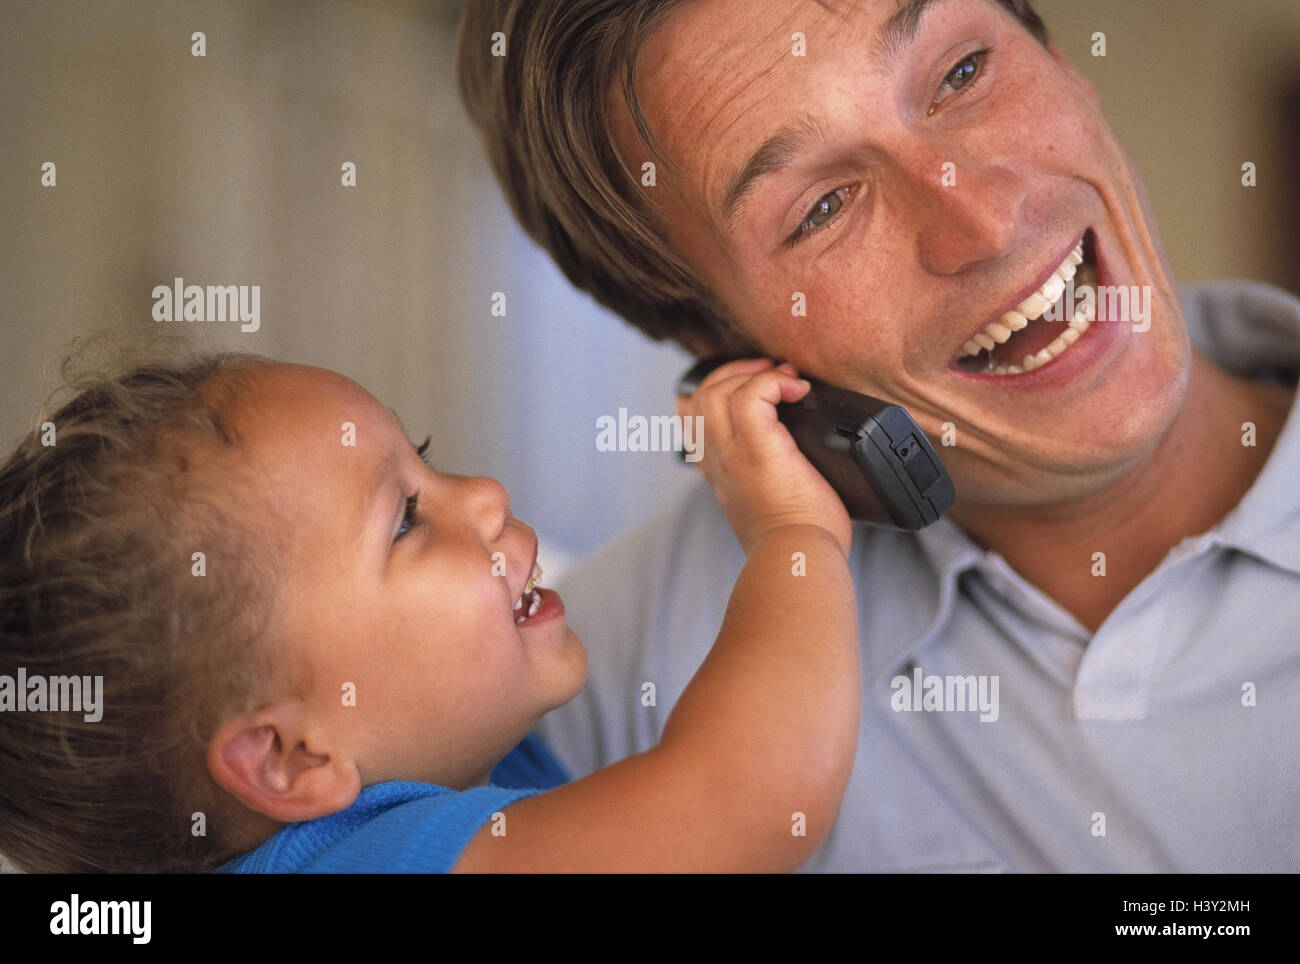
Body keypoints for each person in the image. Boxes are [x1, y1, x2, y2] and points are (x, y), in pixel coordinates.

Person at [455, 0, 1300, 870]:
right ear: (721, 349)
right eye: (822, 209)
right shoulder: (594, 684)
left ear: (1059, 61)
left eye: (962, 74)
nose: (984, 221)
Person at [0, 339, 859, 873]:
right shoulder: (368, 863)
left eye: (424, 460)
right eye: (406, 519)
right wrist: (793, 539)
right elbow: (741, 802)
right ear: (290, 757)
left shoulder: (457, 762)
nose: (482, 492)